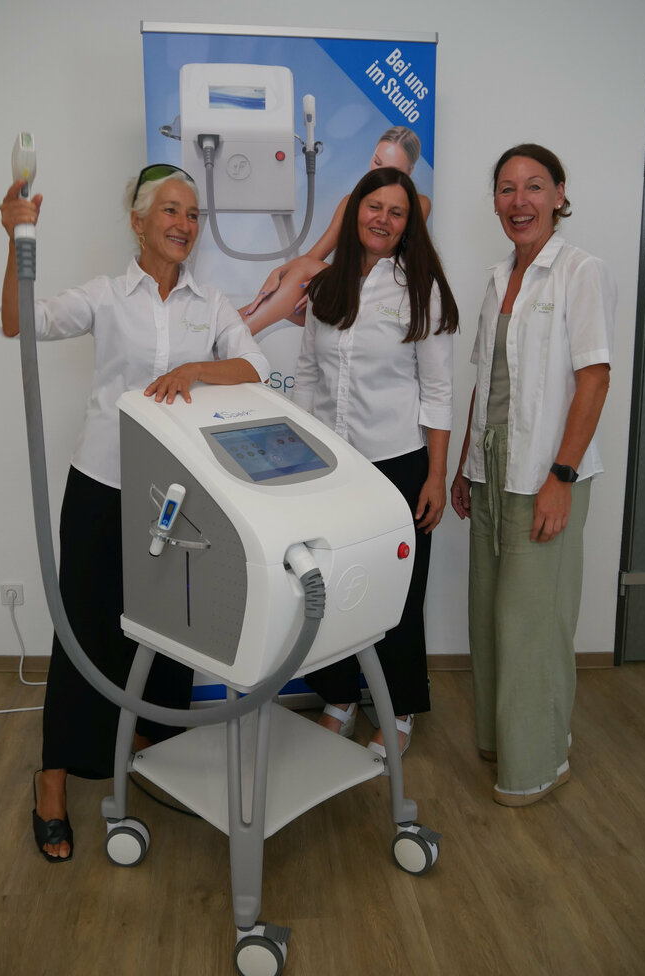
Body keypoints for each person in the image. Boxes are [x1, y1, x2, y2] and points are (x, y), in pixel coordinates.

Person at [0, 164, 270, 860]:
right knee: (85, 628)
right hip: (103, 483)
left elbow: (255, 367)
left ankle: (152, 746)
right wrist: (15, 240)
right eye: (171, 211)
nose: (185, 224)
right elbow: (19, 323)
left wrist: (195, 370)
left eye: (193, 214)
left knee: (171, 629)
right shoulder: (106, 295)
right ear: (139, 221)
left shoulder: (210, 304)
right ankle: (54, 777)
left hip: (177, 495)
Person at [450, 144, 616, 807]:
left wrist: (561, 477)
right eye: (507, 188)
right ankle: (503, 741)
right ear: (495, 201)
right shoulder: (499, 279)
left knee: (533, 626)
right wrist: (465, 465)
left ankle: (540, 763)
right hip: (491, 467)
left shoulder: (580, 271)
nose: (519, 201)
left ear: (559, 194)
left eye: (534, 186)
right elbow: (485, 382)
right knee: (491, 618)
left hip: (545, 472)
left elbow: (594, 379)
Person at [293, 166, 458, 756]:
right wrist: (301, 458)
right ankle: (339, 699)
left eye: (396, 211)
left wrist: (436, 474)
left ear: (409, 224)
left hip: (397, 465)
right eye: (374, 206)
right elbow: (307, 374)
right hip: (331, 468)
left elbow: (437, 391)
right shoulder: (325, 286)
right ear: (354, 211)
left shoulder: (421, 290)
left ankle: (401, 708)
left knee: (398, 593)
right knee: (332, 587)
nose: (382, 219)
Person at [241, 127, 433, 334]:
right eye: (377, 163)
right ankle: (227, 333)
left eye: (393, 171)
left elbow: (391, 262)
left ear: (410, 172)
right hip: (348, 291)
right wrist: (278, 272)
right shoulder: (351, 202)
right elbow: (312, 257)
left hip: (386, 295)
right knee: (289, 289)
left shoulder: (419, 204)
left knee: (296, 282)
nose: (380, 175)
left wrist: (325, 281)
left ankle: (229, 335)